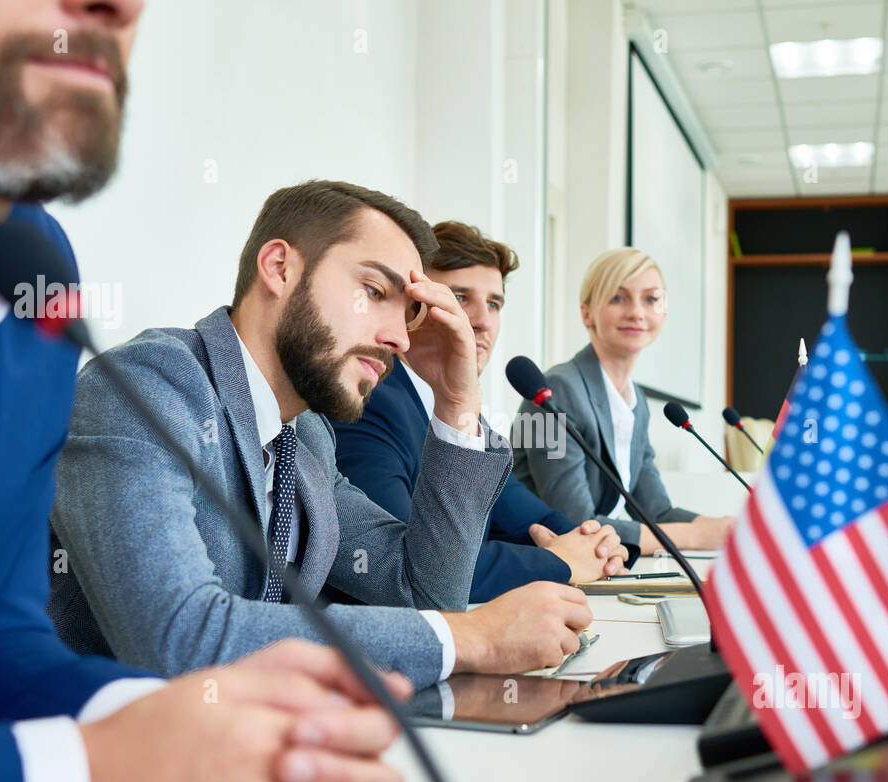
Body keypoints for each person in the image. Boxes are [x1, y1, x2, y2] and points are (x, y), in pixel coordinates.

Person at [0, 0, 406, 782]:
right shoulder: (153, 379)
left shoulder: (31, 271)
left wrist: (169, 735)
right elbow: (179, 634)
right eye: (378, 293)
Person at [50, 184, 593, 689]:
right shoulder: (145, 388)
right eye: (373, 291)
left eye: (410, 314)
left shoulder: (304, 435)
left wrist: (457, 405)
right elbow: (177, 636)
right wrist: (470, 637)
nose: (400, 338)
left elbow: (422, 593)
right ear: (280, 268)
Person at [333, 221, 627, 602]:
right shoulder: (370, 401)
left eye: (494, 303)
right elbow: (410, 567)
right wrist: (560, 561)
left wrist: (595, 545)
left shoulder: (463, 414)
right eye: (459, 297)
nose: (482, 320)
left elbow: (525, 513)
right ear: (413, 304)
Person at [513, 247, 733, 555]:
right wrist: (694, 536)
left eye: (651, 299)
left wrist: (727, 530)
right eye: (618, 297)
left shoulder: (636, 402)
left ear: (664, 311)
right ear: (587, 312)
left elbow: (657, 513)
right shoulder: (556, 390)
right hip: (535, 564)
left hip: (596, 563)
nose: (637, 312)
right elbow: (574, 523)